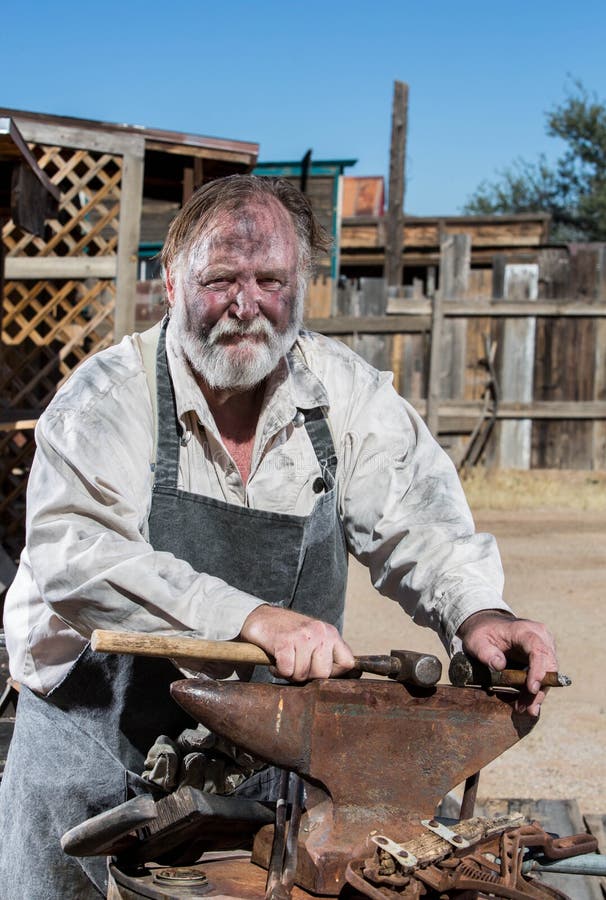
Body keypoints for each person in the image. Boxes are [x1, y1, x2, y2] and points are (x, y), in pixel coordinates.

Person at [0, 175, 557, 899]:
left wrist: (480, 612)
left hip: (259, 761)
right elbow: (76, 553)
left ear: (304, 285)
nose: (245, 304)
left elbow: (418, 519)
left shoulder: (344, 398)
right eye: (221, 279)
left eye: (270, 279)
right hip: (89, 745)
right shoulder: (108, 400)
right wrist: (248, 617)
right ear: (169, 282)